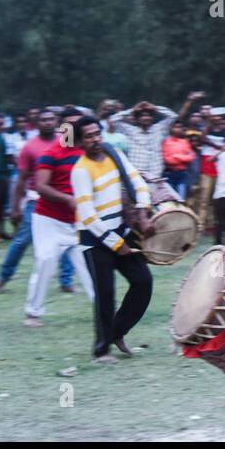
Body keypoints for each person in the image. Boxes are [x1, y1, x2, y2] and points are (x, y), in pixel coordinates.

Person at [71, 116, 153, 363]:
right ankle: (101, 351)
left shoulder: (113, 152)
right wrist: (116, 244)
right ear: (79, 142)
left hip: (121, 231)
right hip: (95, 241)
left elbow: (135, 179)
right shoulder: (80, 170)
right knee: (105, 294)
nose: (96, 139)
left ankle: (117, 332)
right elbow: (87, 215)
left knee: (143, 282)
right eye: (89, 136)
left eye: (97, 133)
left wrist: (143, 211)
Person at [0, 108, 77, 295]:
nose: (48, 122)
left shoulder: (65, 142)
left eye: (51, 119)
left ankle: (66, 281)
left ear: (56, 122)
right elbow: (21, 179)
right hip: (37, 201)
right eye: (43, 120)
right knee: (22, 240)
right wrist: (14, 207)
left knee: (70, 241)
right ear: (37, 123)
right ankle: (2, 279)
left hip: (64, 199)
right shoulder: (30, 147)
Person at [24, 112, 95, 327]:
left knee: (89, 266)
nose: (74, 129)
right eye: (70, 125)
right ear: (62, 127)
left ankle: (103, 308)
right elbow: (40, 186)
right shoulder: (51, 152)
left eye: (78, 124)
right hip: (49, 219)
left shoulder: (87, 153)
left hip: (78, 221)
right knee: (46, 261)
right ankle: (32, 313)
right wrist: (67, 199)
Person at [110, 93, 202, 178]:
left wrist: (154, 107)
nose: (146, 118)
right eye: (143, 116)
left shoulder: (159, 128)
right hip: (136, 173)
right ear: (137, 119)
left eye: (149, 115)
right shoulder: (130, 130)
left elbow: (173, 116)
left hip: (155, 173)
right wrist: (133, 109)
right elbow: (113, 119)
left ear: (152, 118)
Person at [161, 122, 197, 200]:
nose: (178, 129)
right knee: (169, 199)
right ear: (171, 129)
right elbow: (167, 160)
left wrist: (177, 156)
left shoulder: (185, 142)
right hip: (169, 174)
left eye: (180, 127)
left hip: (182, 174)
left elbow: (191, 157)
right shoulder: (166, 142)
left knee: (181, 199)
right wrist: (183, 158)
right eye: (176, 127)